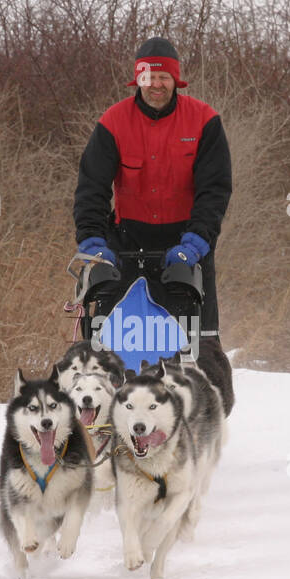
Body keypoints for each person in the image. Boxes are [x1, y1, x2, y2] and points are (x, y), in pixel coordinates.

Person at [73, 36, 234, 410]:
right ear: (137, 80)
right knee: (110, 332)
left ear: (176, 79)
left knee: (199, 338)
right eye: (148, 76)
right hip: (127, 238)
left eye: (163, 76)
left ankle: (209, 414)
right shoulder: (113, 122)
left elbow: (215, 192)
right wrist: (94, 243)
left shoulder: (205, 121)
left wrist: (194, 244)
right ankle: (108, 408)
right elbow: (91, 190)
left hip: (186, 242)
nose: (156, 84)